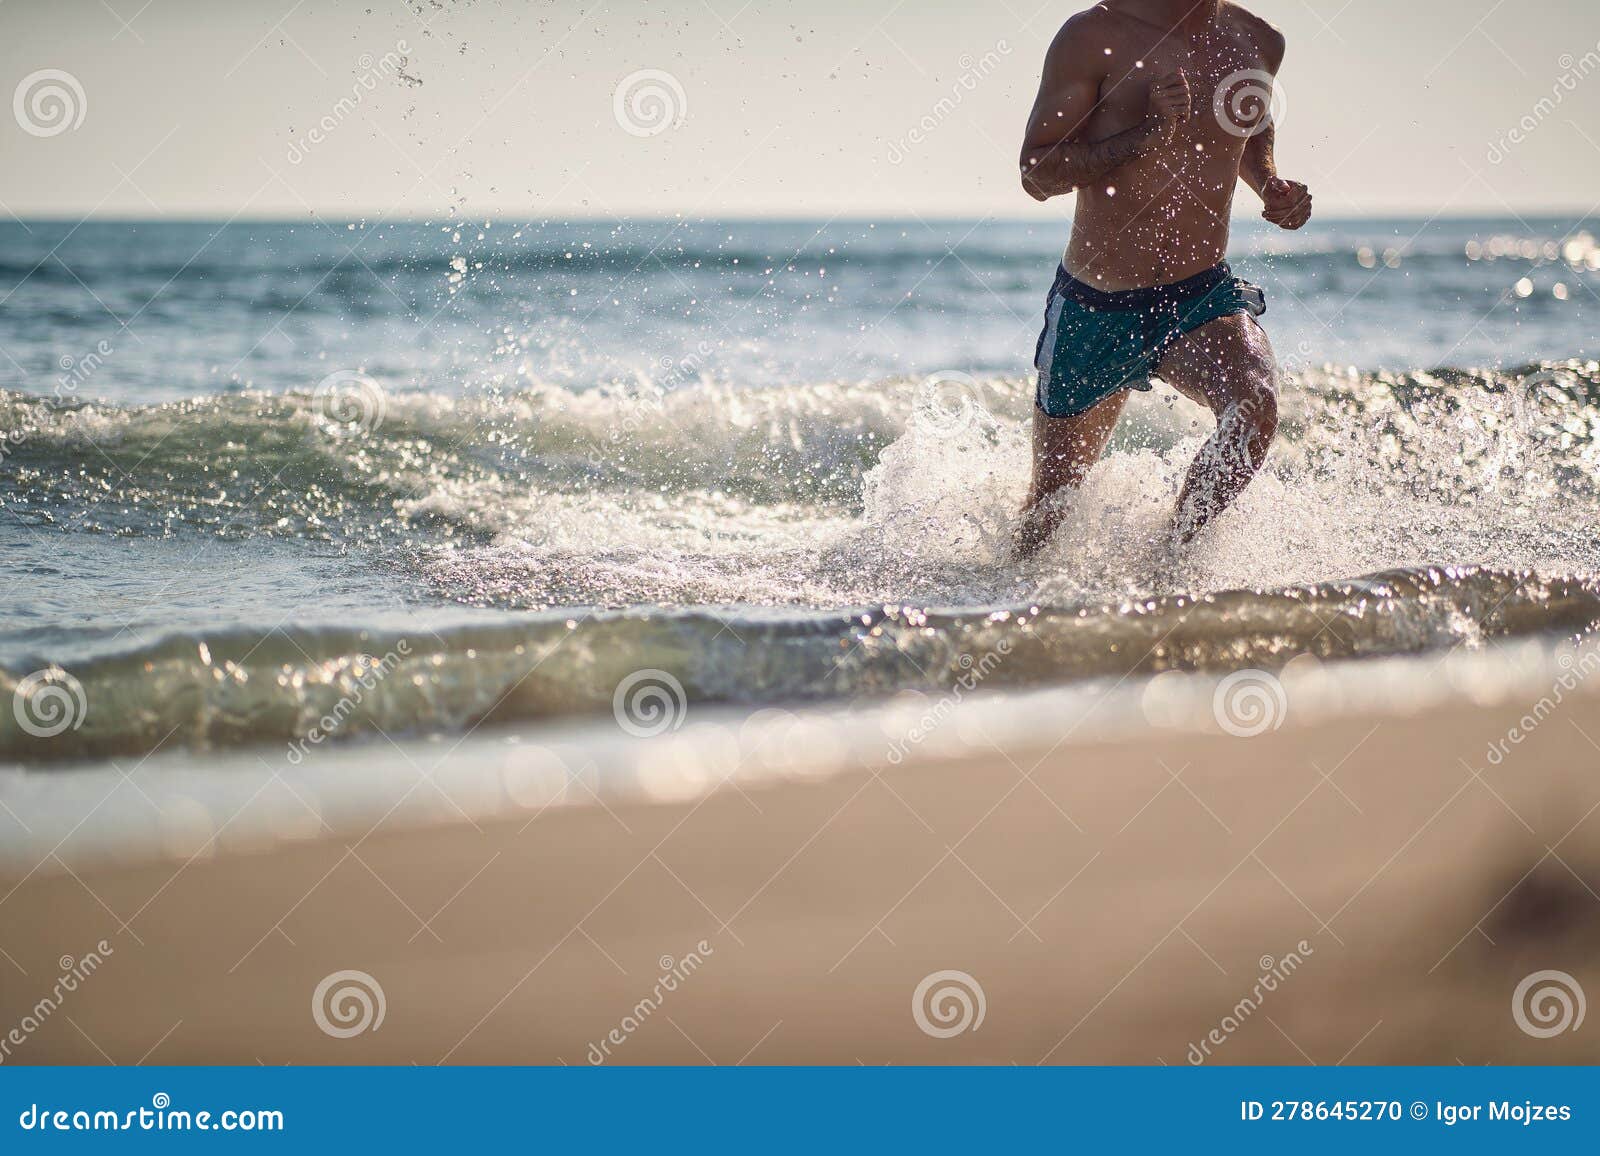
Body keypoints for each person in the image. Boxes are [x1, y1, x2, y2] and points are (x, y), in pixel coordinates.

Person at [1015, 0, 1312, 556]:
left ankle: (1169, 572)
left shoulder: (1259, 41)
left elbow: (1247, 125)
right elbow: (1037, 173)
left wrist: (1270, 183)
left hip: (1199, 294)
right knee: (1050, 512)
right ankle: (1002, 615)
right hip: (1097, 303)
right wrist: (1143, 133)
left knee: (1256, 406)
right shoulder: (1093, 34)